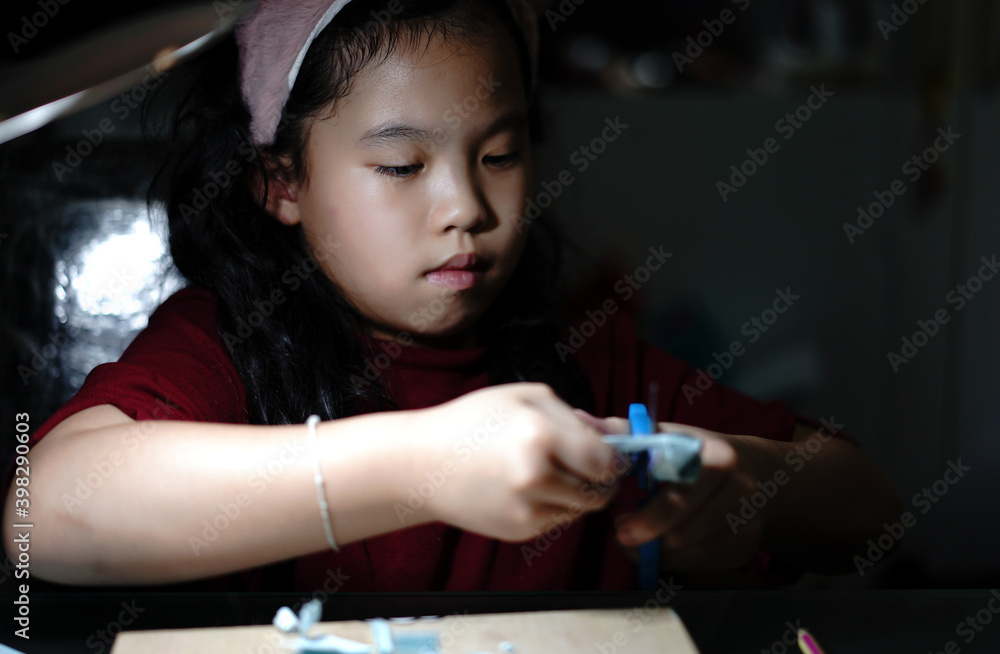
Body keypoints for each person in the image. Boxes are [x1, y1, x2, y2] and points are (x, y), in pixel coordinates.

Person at [2, 0, 901, 591]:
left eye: (501, 155)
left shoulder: (584, 358)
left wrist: (744, 487)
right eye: (401, 165)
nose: (467, 207)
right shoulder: (225, 348)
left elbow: (870, 507)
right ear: (281, 184)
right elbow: (48, 512)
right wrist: (420, 466)